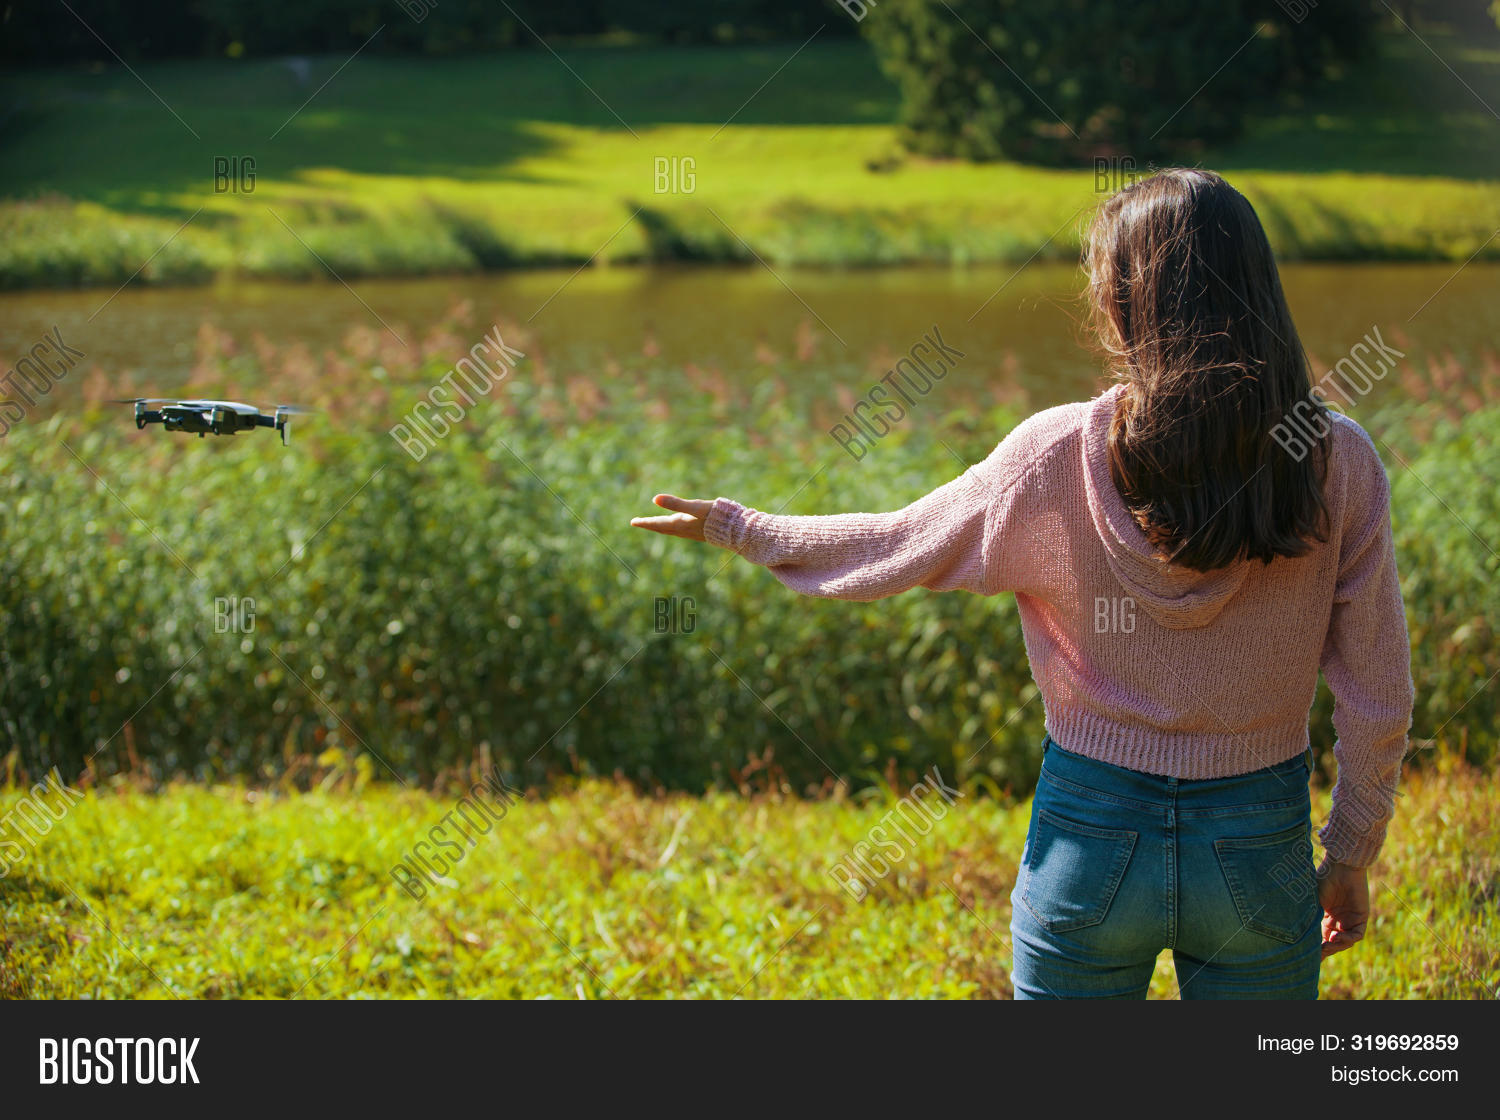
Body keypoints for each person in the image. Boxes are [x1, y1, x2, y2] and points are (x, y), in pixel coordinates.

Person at [630, 168, 1414, 1000]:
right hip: (1260, 843)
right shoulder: (1335, 459)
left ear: (1123, 305)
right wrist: (1351, 853)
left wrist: (742, 528)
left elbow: (900, 544)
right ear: (1259, 288)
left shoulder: (1052, 457)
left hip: (1091, 838)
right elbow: (1379, 692)